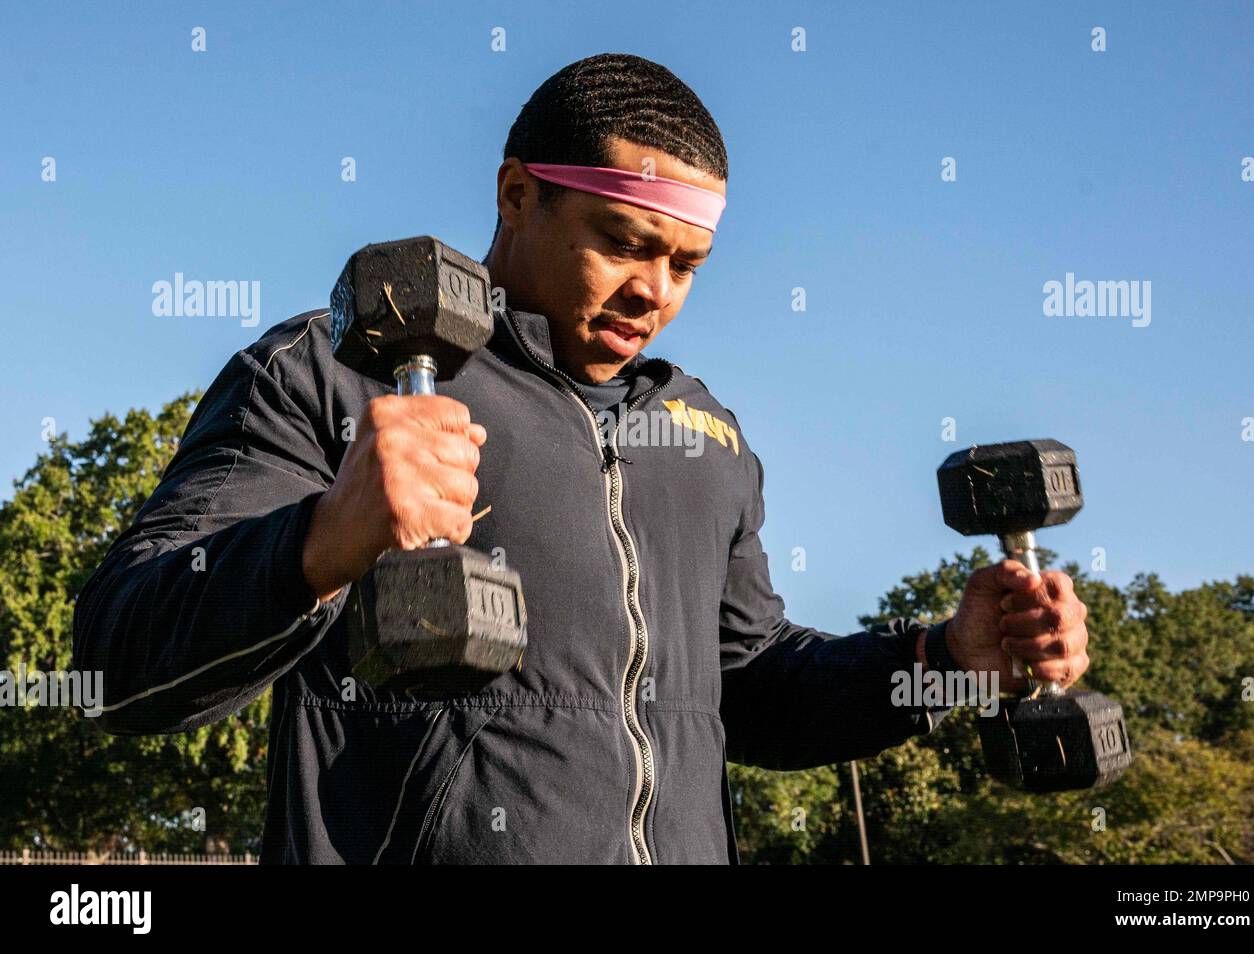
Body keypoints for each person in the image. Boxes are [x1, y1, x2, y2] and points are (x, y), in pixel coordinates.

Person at [73, 53, 1090, 864]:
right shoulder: (343, 371)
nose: (655, 290)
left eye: (685, 263)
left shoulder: (704, 434)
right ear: (518, 194)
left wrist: (945, 664)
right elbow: (116, 664)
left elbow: (749, 692)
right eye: (622, 241)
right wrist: (320, 542)